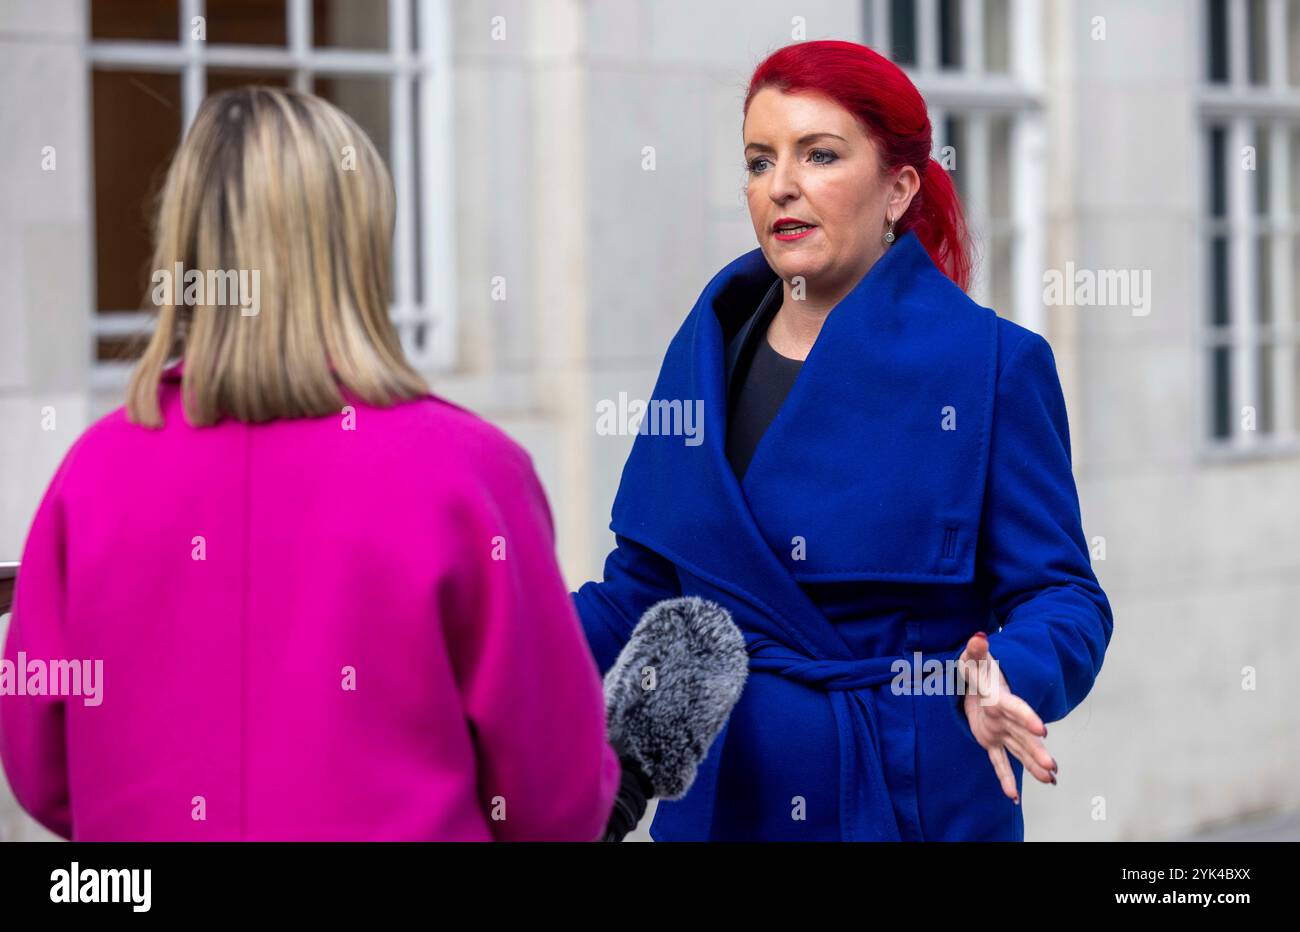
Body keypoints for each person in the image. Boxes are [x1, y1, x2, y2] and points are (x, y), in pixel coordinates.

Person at [0, 87, 620, 841]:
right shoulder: (470, 473)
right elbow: (553, 800)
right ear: (356, 243)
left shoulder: (90, 475)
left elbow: (41, 770)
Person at [572, 40, 1114, 841]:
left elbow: (1064, 597)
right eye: (759, 162)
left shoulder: (993, 366)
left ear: (898, 189)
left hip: (901, 797)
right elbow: (642, 594)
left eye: (818, 155)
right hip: (722, 804)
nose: (781, 186)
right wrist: (489, 644)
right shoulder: (704, 353)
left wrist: (1006, 672)